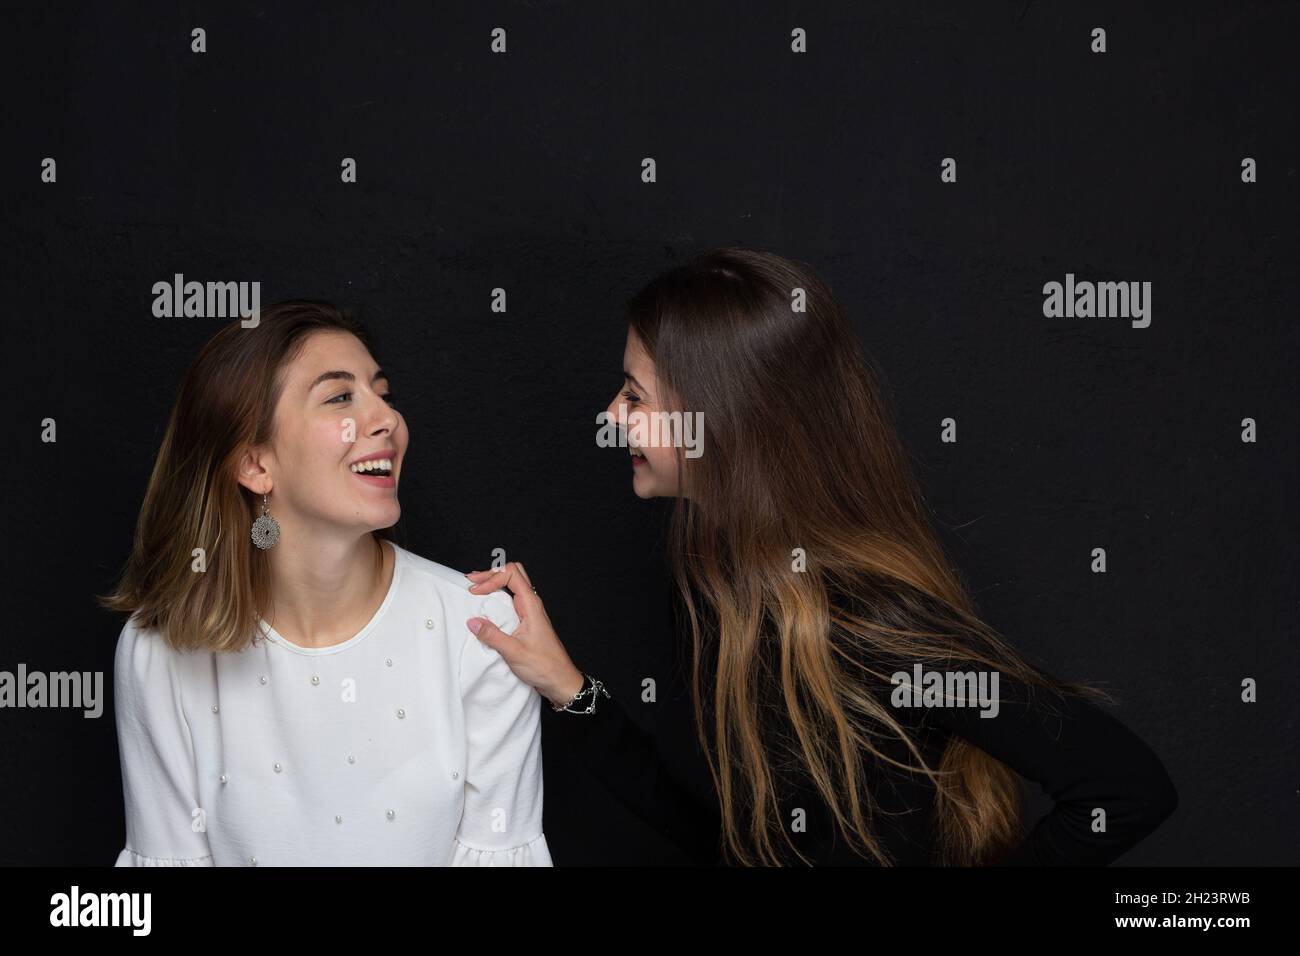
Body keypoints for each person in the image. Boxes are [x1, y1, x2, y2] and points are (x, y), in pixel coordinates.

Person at [465, 247, 1179, 866]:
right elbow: (720, 833)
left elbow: (1126, 789)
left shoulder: (863, 618)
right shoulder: (725, 590)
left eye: (634, 395)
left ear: (721, 417)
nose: (611, 416)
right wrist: (567, 687)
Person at [99, 301, 551, 866]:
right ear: (256, 465)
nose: (387, 419)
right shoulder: (160, 652)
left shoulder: (480, 630)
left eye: (383, 393)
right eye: (340, 397)